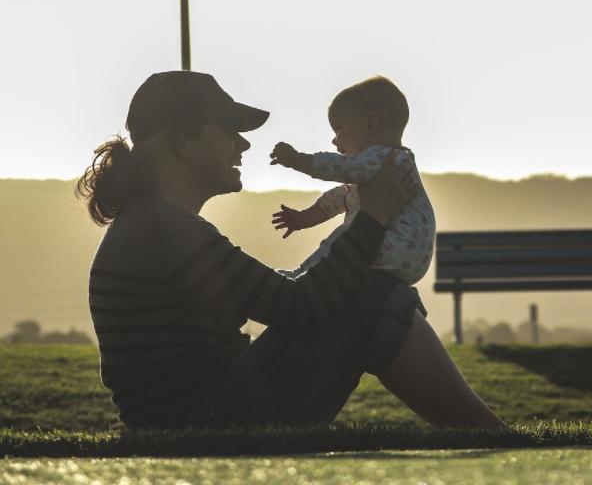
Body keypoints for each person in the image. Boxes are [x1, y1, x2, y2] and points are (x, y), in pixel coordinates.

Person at [77, 70, 505, 430]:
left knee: (370, 290)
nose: (243, 145)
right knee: (372, 293)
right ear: (184, 142)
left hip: (201, 415)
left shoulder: (151, 225)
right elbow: (299, 308)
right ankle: (494, 439)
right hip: (210, 422)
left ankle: (490, 436)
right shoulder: (163, 229)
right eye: (229, 132)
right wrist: (373, 216)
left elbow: (274, 294)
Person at [269, 76, 435, 286]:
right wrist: (302, 219)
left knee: (343, 240)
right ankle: (302, 276)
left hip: (393, 246)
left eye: (338, 129)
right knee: (348, 239)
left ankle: (302, 277)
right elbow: (342, 198)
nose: (334, 139)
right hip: (408, 258)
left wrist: (298, 160)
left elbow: (340, 168)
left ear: (370, 123)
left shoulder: (384, 158)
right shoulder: (389, 165)